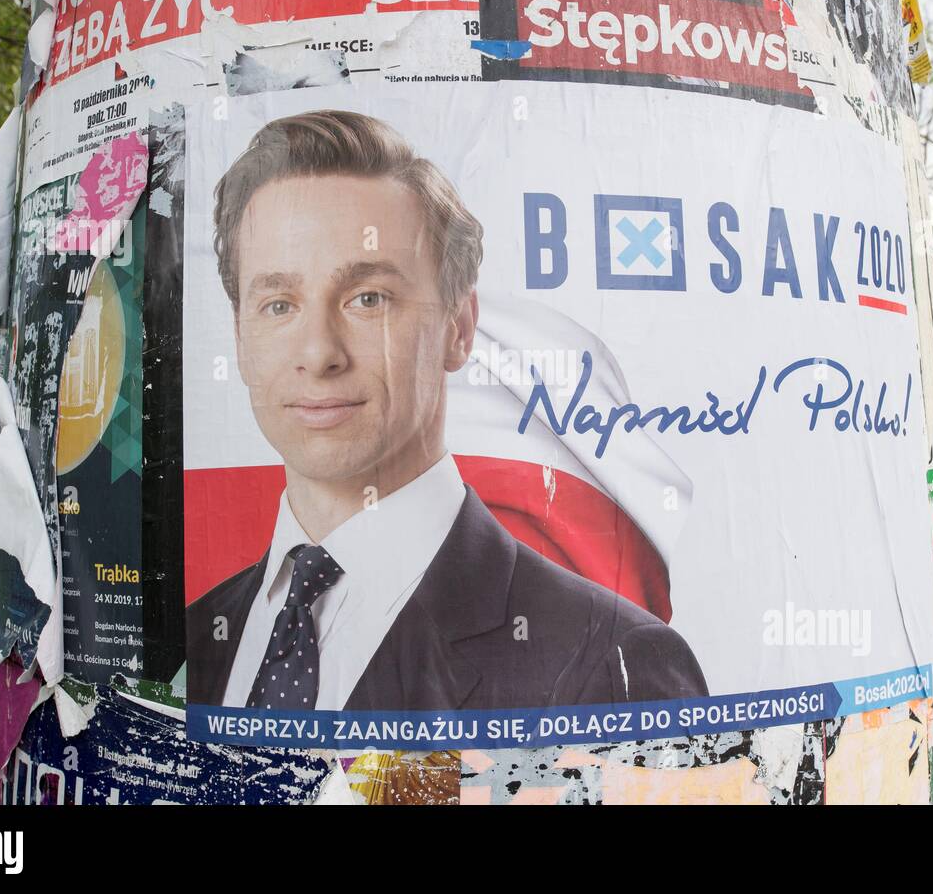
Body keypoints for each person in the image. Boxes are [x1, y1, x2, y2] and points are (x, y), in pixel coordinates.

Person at [185, 109, 708, 712]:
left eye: (367, 298)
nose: (318, 353)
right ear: (240, 340)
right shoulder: (195, 638)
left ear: (458, 328)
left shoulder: (615, 662)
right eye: (279, 304)